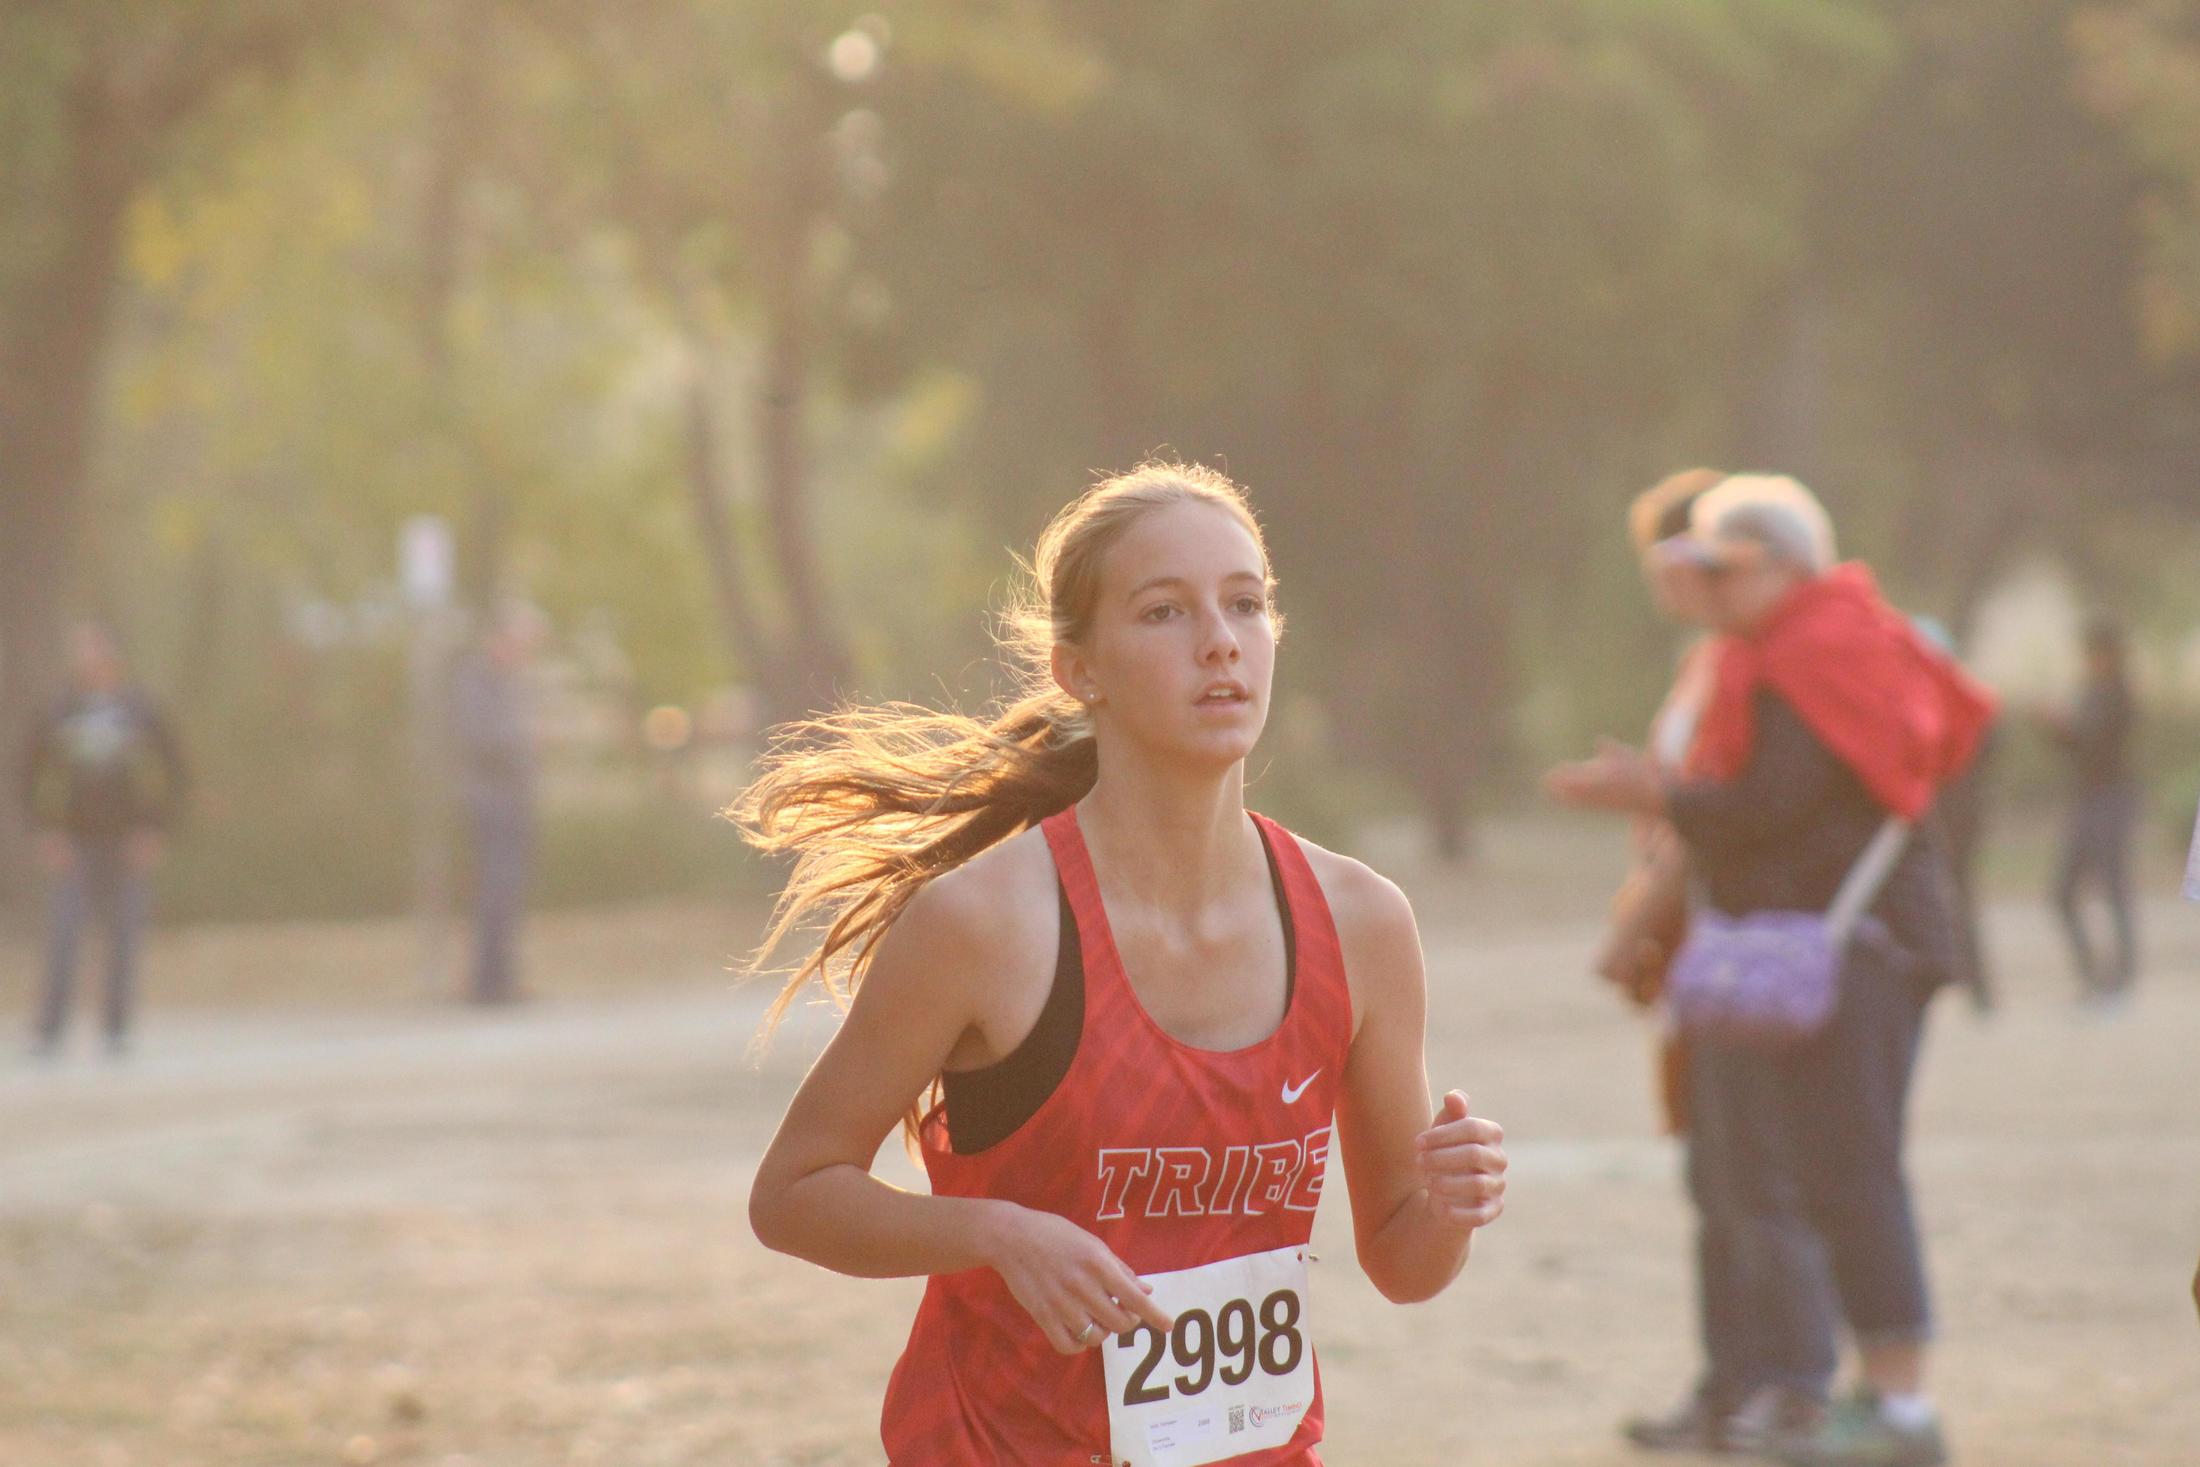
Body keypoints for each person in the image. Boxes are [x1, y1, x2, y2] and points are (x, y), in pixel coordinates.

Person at [736, 462, 1509, 1465]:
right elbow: (793, 1192)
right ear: (1078, 668)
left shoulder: (1362, 921)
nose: (1220, 641)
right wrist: (994, 1234)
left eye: (1245, 603)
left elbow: (1404, 1263)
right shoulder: (984, 923)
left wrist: (1449, 1208)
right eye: (1164, 613)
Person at [1550, 478, 1995, 1467]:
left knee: (1854, 1171)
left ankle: (1898, 1409)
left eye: (1726, 563)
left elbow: (1774, 804)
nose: (1707, 582)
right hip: (1829, 948)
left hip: (1860, 947)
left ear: (1790, 561)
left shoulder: (1819, 648)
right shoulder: (1781, 649)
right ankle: (1855, 1396)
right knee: (1822, 1172)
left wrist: (1654, 791)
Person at [1585, 472, 1841, 1456]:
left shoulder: (1757, 669)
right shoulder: (1716, 666)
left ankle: (1787, 1382)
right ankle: (1733, 1378)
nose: (1672, 572)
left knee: (1758, 1174)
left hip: (1740, 950)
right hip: (1701, 949)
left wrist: (1629, 925)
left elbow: (1714, 816)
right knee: (1714, 1176)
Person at [19, 621, 189, 1058]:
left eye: (95, 651)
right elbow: (27, 773)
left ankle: (116, 1029)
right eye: (81, 652)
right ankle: (49, 1032)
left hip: (124, 843)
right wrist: (45, 830)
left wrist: (154, 829)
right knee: (64, 935)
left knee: (123, 938)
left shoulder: (138, 710)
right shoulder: (61, 710)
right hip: (75, 843)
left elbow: (174, 771)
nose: (88, 661)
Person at [2037, 612, 2140, 1007]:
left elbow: (2092, 738)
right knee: (2063, 892)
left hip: (2111, 799)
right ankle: (2095, 975)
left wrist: (2064, 724)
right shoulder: (2090, 691)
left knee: (2113, 886)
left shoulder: (2118, 694)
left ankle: (2121, 978)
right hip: (2086, 799)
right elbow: (2074, 743)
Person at [450, 603, 546, 1005]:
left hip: (511, 797)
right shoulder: (477, 681)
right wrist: (522, 744)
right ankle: (487, 981)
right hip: (491, 797)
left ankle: (501, 977)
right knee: (496, 887)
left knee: (507, 889)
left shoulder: (509, 683)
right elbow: (481, 738)